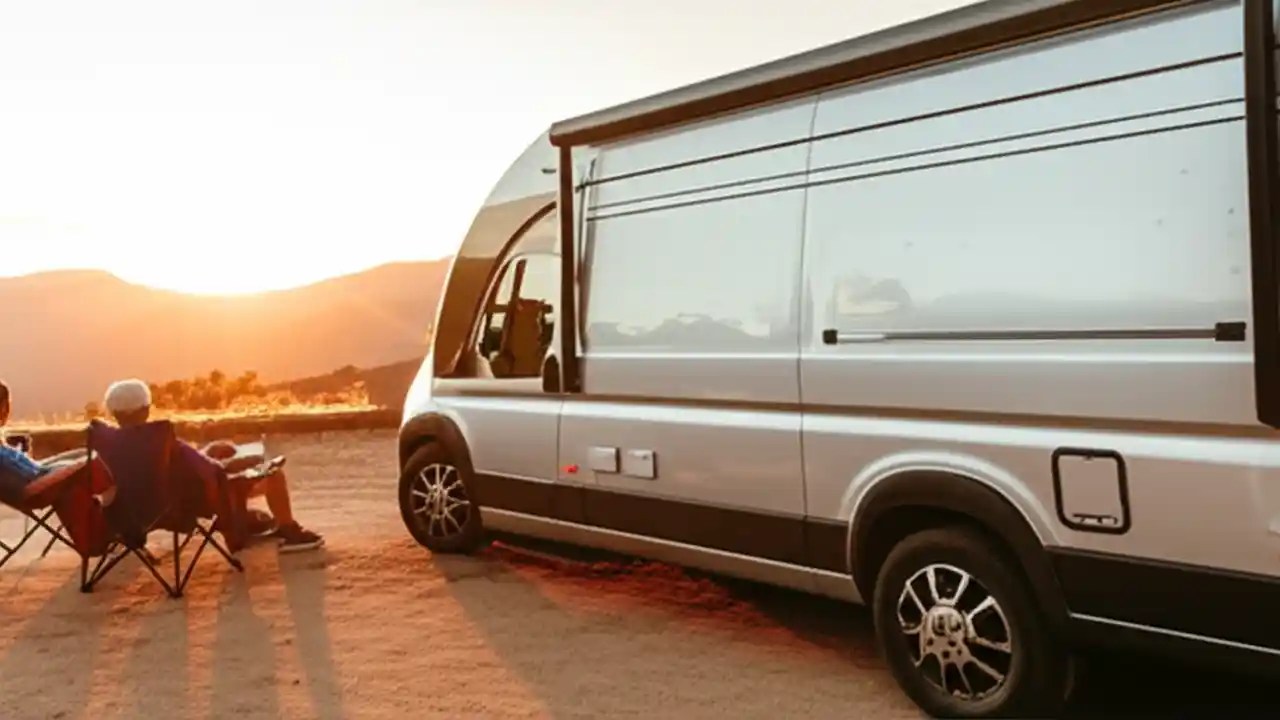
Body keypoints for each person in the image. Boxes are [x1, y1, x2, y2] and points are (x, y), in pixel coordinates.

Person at [102, 379, 324, 553]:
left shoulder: (107, 446)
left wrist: (208, 452)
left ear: (114, 414)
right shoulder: (162, 442)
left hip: (132, 511)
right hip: (186, 505)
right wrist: (232, 463)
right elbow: (212, 471)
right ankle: (288, 530)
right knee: (272, 474)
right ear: (146, 410)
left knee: (220, 452)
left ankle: (247, 523)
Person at [0, 380, 98, 506]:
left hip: (36, 475)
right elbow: (30, 475)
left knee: (83, 455)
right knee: (90, 462)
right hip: (37, 483)